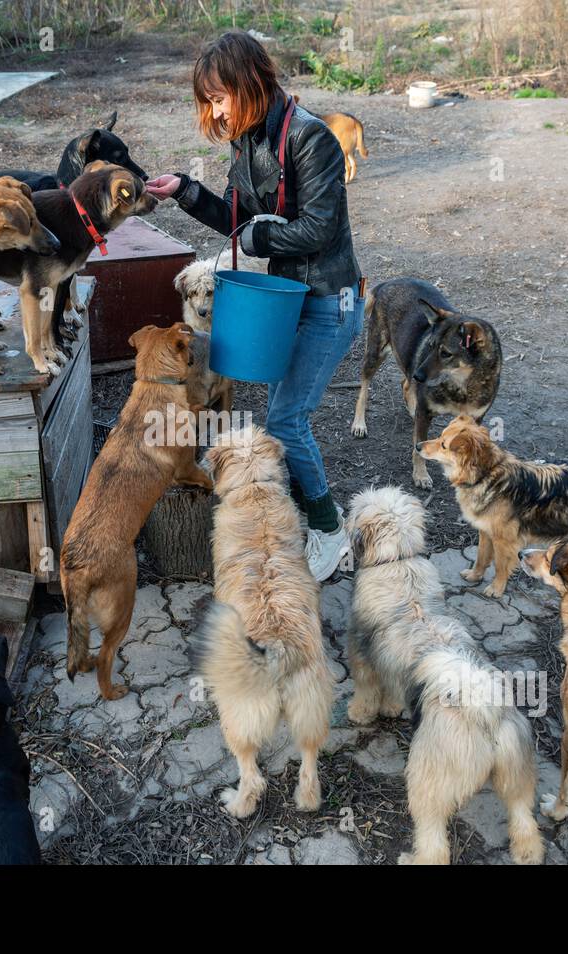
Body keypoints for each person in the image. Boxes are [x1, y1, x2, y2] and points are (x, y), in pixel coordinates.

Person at [147, 30, 362, 582]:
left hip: (329, 302)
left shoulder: (311, 139)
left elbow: (320, 227)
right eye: (208, 101)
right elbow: (237, 223)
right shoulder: (247, 140)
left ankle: (330, 532)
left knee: (287, 420)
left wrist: (259, 238)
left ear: (248, 83)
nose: (214, 111)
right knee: (280, 413)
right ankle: (306, 521)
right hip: (286, 302)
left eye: (218, 97)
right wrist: (187, 192)